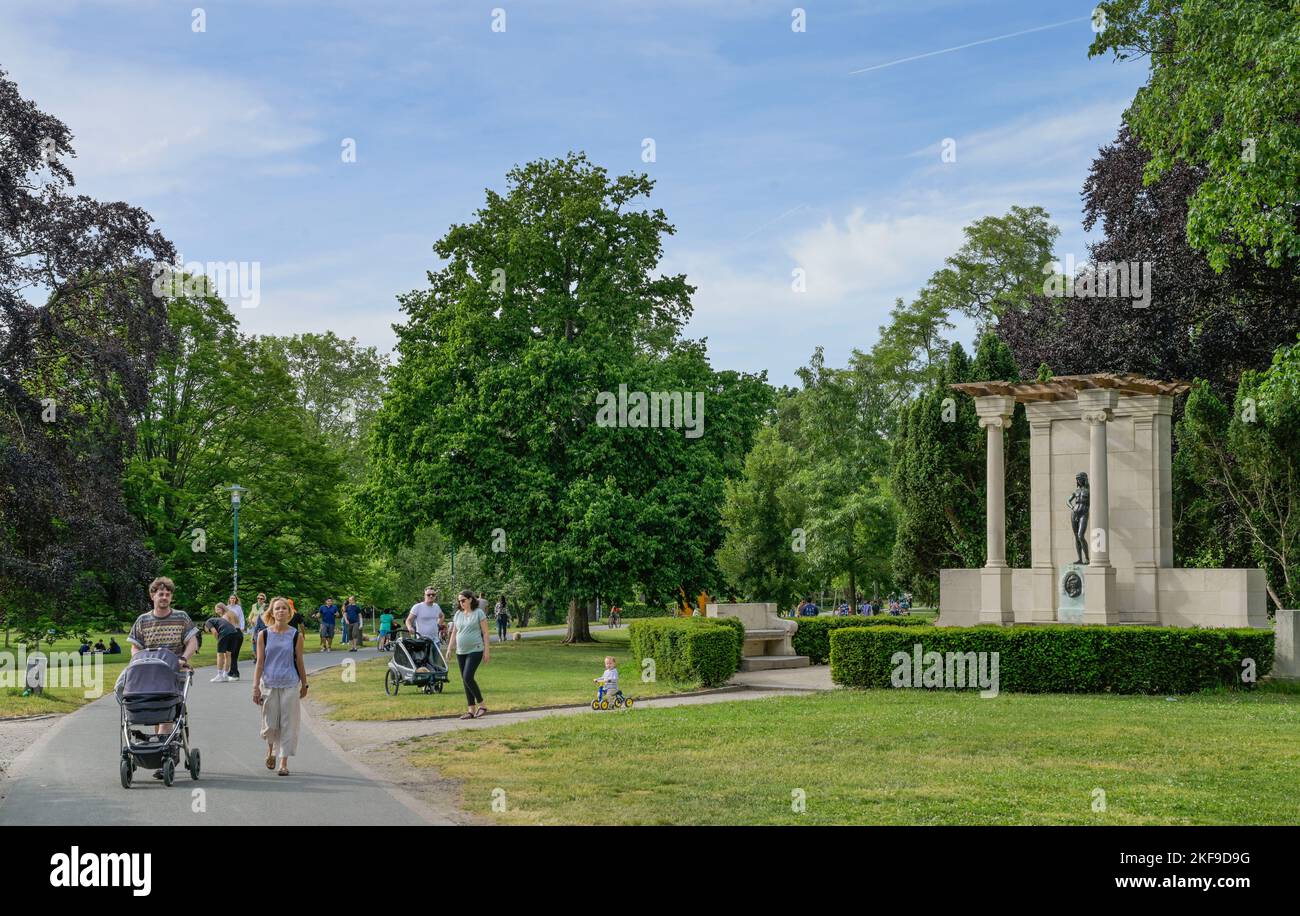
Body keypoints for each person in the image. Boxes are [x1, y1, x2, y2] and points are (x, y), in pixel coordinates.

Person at [127, 576, 199, 775]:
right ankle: (153, 747)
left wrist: (183, 659)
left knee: (167, 710)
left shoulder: (181, 617)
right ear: (153, 596)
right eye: (161, 594)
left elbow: (192, 642)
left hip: (174, 671)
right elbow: (135, 647)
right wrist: (139, 661)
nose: (164, 597)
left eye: (168, 594)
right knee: (127, 691)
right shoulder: (143, 620)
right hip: (147, 671)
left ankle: (163, 755)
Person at [252, 597, 308, 777]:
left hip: (290, 683)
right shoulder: (264, 635)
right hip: (268, 683)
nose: (281, 611)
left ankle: (283, 762)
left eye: (284, 608)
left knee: (288, 723)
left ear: (289, 613)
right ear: (272, 612)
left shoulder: (296, 636)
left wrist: (304, 683)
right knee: (270, 723)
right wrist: (255, 687)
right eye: (277, 609)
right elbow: (260, 663)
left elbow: (299, 661)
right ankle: (271, 751)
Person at [446, 589, 490, 719]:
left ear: (470, 599)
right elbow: (454, 632)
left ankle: (482, 705)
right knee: (465, 680)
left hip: (475, 649)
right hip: (461, 651)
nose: (461, 603)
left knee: (468, 677)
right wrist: (449, 649)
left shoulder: (479, 613)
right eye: (459, 601)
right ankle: (471, 710)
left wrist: (487, 650)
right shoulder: (458, 614)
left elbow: (486, 633)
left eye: (463, 600)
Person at [204, 610, 242, 682]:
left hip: (225, 632)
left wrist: (218, 640)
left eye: (207, 631)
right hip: (234, 632)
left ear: (205, 626)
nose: (209, 632)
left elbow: (214, 632)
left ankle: (219, 675)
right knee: (228, 654)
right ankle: (225, 675)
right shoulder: (218, 620)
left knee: (220, 654)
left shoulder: (208, 622)